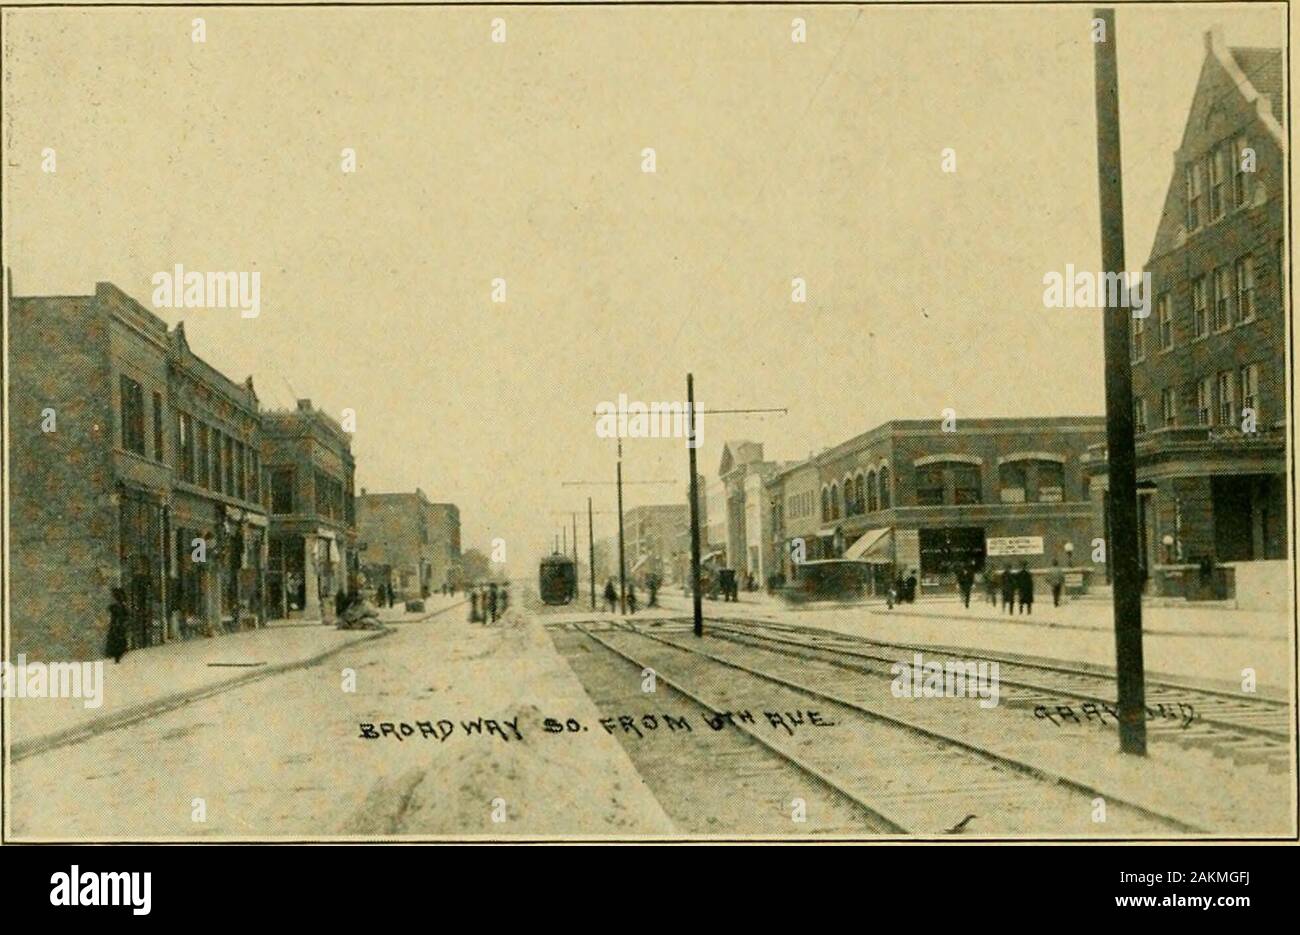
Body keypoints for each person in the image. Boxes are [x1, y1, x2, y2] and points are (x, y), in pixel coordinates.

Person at [106, 587, 130, 664]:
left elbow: (122, 615)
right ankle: (117, 655)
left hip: (116, 625)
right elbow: (125, 615)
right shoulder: (121, 604)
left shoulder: (117, 605)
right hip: (118, 625)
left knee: (116, 640)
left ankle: (116, 655)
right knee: (119, 640)